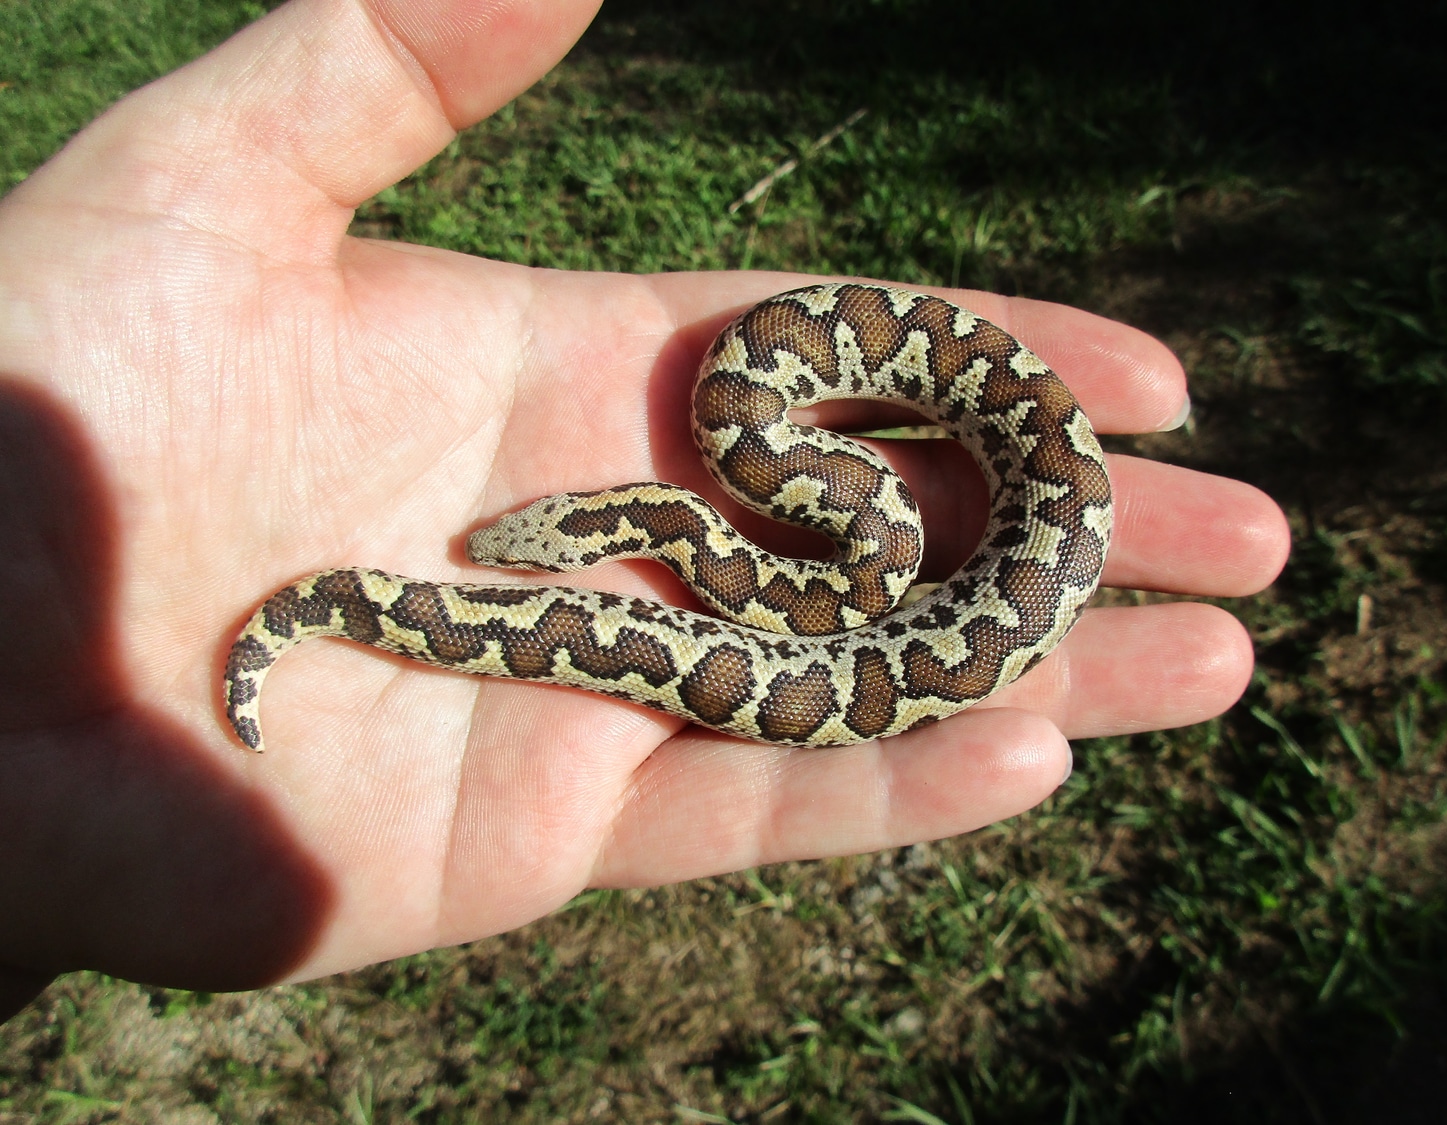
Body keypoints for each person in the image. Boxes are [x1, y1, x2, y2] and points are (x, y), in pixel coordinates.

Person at [0, 0, 1289, 1024]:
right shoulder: (749, 485)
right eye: (532, 546)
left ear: (605, 523)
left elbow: (820, 566)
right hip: (822, 587)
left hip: (852, 586)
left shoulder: (760, 472)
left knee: (786, 604)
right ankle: (333, 619)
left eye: (540, 541)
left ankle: (338, 620)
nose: (514, 547)